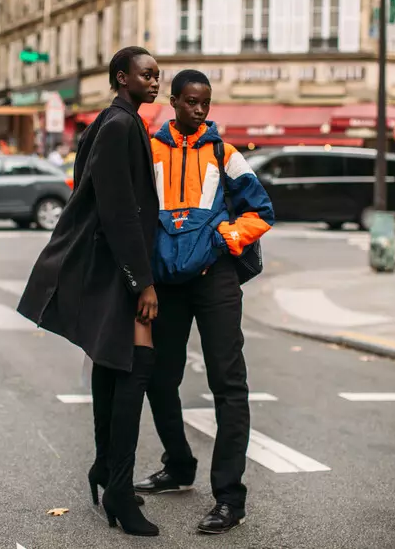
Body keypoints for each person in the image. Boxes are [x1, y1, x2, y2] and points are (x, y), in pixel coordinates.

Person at [18, 47, 161, 537]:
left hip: (109, 265)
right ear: (122, 78)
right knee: (137, 366)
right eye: (147, 74)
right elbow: (121, 209)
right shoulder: (121, 125)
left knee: (113, 362)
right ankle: (118, 489)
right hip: (121, 268)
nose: (155, 81)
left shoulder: (110, 121)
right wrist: (142, 281)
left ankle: (106, 469)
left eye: (157, 75)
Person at [134, 70, 274, 534]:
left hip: (216, 281)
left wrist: (227, 237)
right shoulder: (149, 150)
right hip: (166, 285)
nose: (199, 110)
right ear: (174, 102)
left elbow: (262, 212)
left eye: (205, 103)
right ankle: (178, 464)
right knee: (158, 378)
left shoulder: (225, 154)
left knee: (228, 385)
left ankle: (230, 499)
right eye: (191, 101)